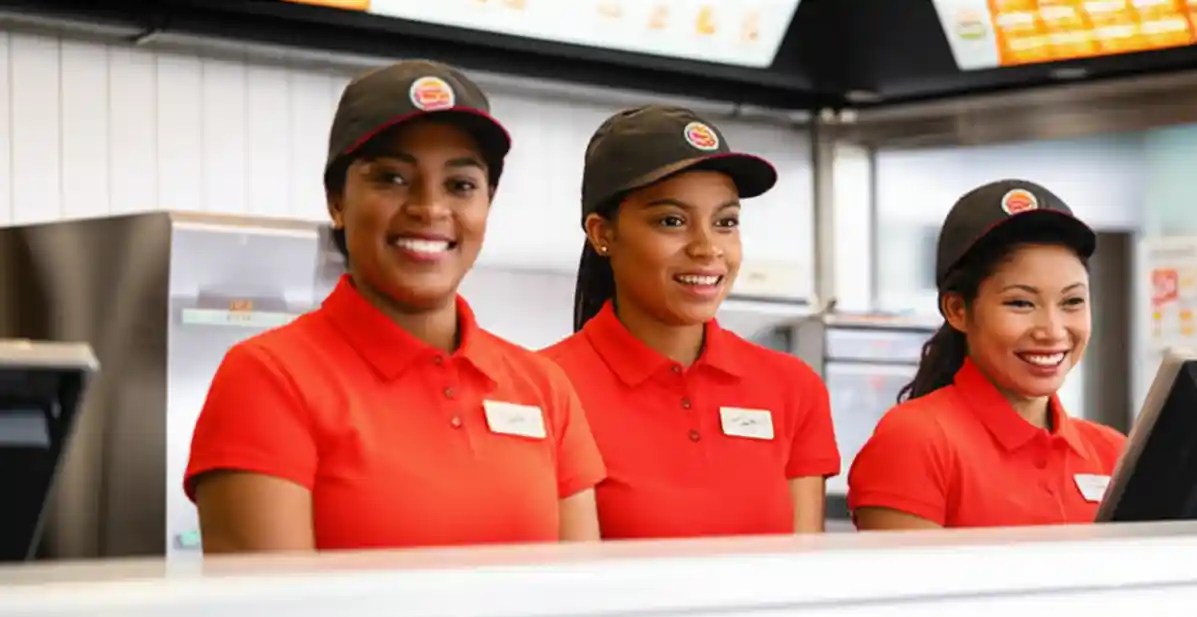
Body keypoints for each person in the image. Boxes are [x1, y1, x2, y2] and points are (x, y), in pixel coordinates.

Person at [184, 60, 605, 553]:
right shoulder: (268, 379)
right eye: (392, 178)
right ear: (337, 201)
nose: (429, 208)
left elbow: (578, 605)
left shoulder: (543, 389)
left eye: (460, 185)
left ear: (487, 203)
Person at [541, 105, 840, 540]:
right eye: (672, 221)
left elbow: (801, 576)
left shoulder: (792, 388)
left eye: (725, 223)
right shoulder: (543, 389)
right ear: (603, 234)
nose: (707, 248)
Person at [847, 179, 1126, 531]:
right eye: (1021, 303)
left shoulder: (1113, 453)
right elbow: (911, 585)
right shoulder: (916, 440)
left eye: (1072, 302)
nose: (1052, 330)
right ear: (957, 310)